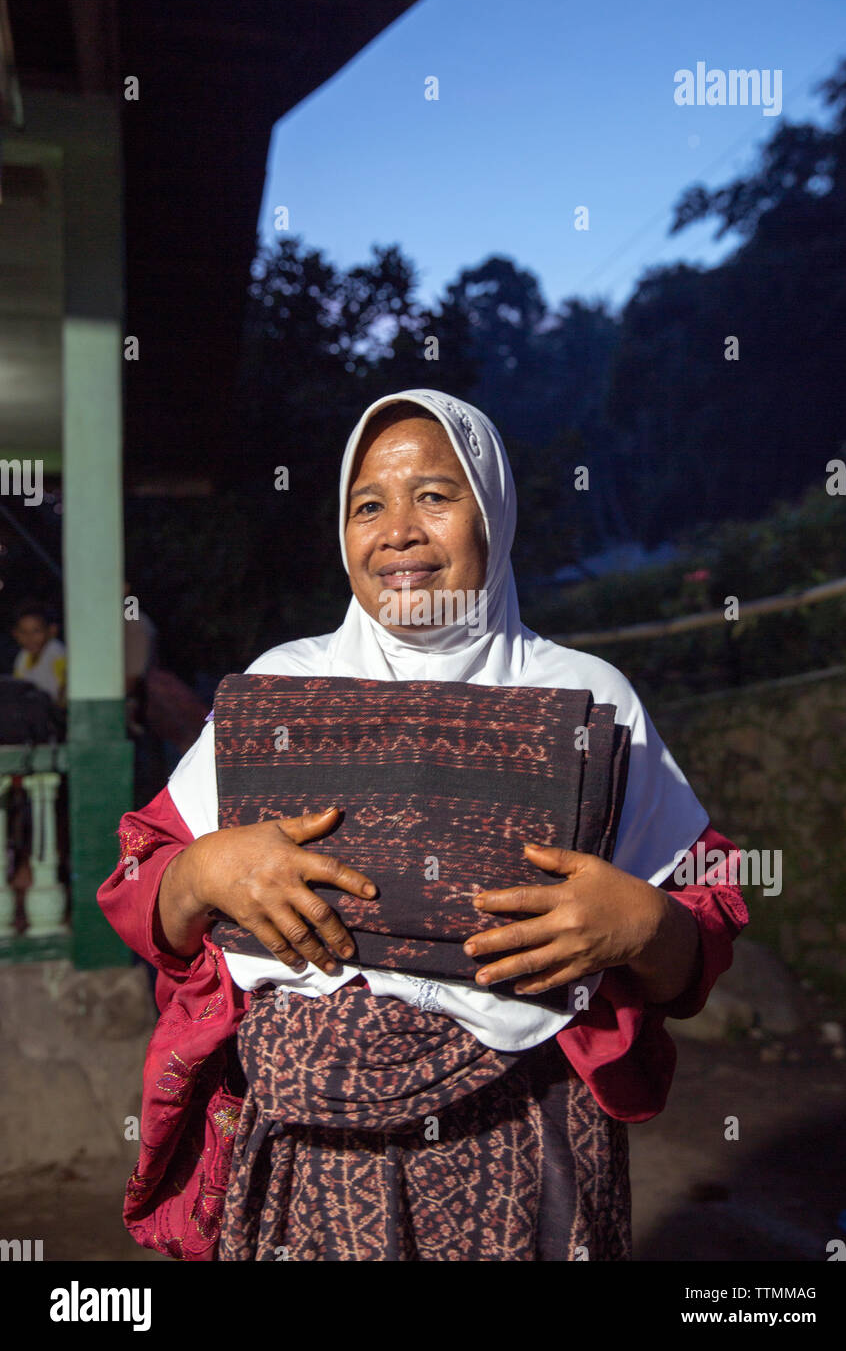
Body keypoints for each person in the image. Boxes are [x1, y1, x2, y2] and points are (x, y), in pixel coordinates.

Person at [98, 388, 748, 1262]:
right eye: (368, 505)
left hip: (525, 1148)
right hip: (303, 1162)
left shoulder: (588, 701)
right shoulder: (281, 692)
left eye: (435, 496)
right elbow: (143, 888)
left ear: (496, 514)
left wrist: (642, 924)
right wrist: (205, 872)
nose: (397, 530)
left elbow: (698, 938)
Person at [12, 601, 66, 706]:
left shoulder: (56, 653)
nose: (29, 638)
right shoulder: (23, 657)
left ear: (52, 631)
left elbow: (67, 685)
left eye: (36, 631)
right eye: (23, 632)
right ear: (15, 634)